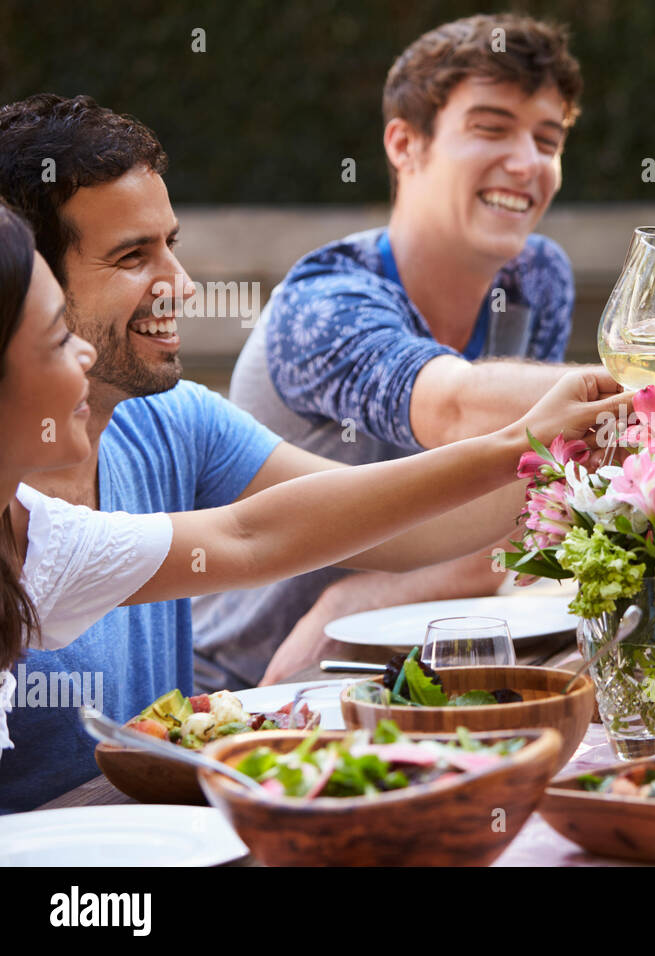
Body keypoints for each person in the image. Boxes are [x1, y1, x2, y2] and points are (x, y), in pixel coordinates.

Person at [0, 93, 581, 810]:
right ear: (27, 285)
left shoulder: (167, 429)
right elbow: (260, 537)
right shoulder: (35, 526)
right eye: (131, 256)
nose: (180, 287)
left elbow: (370, 530)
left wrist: (586, 452)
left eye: (170, 246)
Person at [196, 14, 655, 690]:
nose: (528, 162)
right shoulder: (323, 302)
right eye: (492, 128)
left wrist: (366, 596)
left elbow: (527, 498)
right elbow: (453, 409)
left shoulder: (536, 279)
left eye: (547, 138)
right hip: (251, 687)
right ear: (404, 144)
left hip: (434, 655)